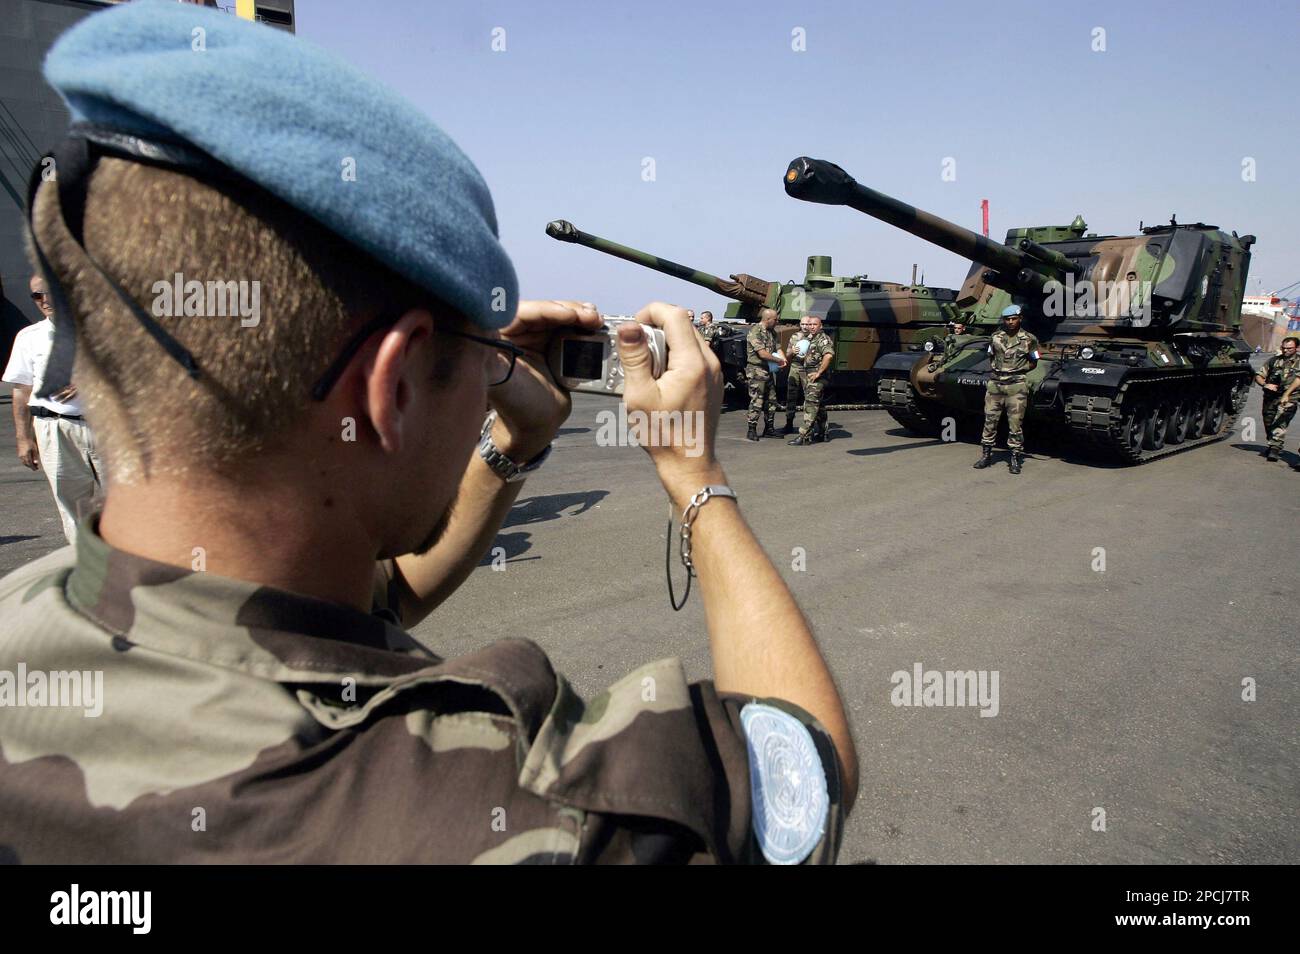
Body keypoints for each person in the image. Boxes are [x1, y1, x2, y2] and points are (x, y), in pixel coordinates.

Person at [0, 2, 855, 865]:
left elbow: (361, 600)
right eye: (479, 356)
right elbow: (800, 794)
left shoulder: (35, 614)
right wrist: (693, 473)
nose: (492, 373)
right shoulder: (513, 801)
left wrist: (508, 445)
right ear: (394, 386)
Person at [2, 274, 104, 543]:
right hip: (52, 429)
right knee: (72, 505)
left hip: (105, 426)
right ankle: (86, 565)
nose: (44, 300)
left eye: (50, 291)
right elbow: (21, 391)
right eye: (37, 295)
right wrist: (24, 439)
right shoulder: (28, 337)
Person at [973, 304, 1040, 475]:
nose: (1010, 322)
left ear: (1020, 319)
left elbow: (1034, 361)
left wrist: (1018, 371)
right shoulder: (995, 337)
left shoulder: (1029, 339)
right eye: (1007, 319)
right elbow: (991, 356)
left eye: (1013, 319)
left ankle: (1015, 458)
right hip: (995, 384)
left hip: (1016, 386)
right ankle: (986, 455)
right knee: (990, 420)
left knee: (1015, 424)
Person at [783, 314, 834, 445]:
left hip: (817, 377)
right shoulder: (811, 338)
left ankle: (804, 435)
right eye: (809, 324)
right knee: (819, 405)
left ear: (820, 326)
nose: (811, 327)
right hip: (809, 374)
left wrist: (818, 372)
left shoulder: (823, 339)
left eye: (814, 324)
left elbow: (828, 356)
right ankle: (823, 432)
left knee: (810, 404)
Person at [744, 307, 786, 441]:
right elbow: (762, 353)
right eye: (775, 319)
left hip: (767, 370)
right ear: (767, 319)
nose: (777, 321)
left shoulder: (772, 332)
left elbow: (778, 347)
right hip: (756, 370)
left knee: (771, 400)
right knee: (757, 401)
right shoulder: (755, 331)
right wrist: (778, 360)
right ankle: (751, 429)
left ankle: (769, 429)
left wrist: (783, 359)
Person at [1255, 336, 1299, 462]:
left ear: (1296, 348)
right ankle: (1272, 442)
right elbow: (1259, 375)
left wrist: (1287, 394)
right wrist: (1265, 384)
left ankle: (1275, 447)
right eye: (1283, 348)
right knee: (1268, 421)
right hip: (1271, 396)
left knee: (1280, 420)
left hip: (1291, 397)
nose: (1286, 351)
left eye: (1289, 348)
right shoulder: (1273, 361)